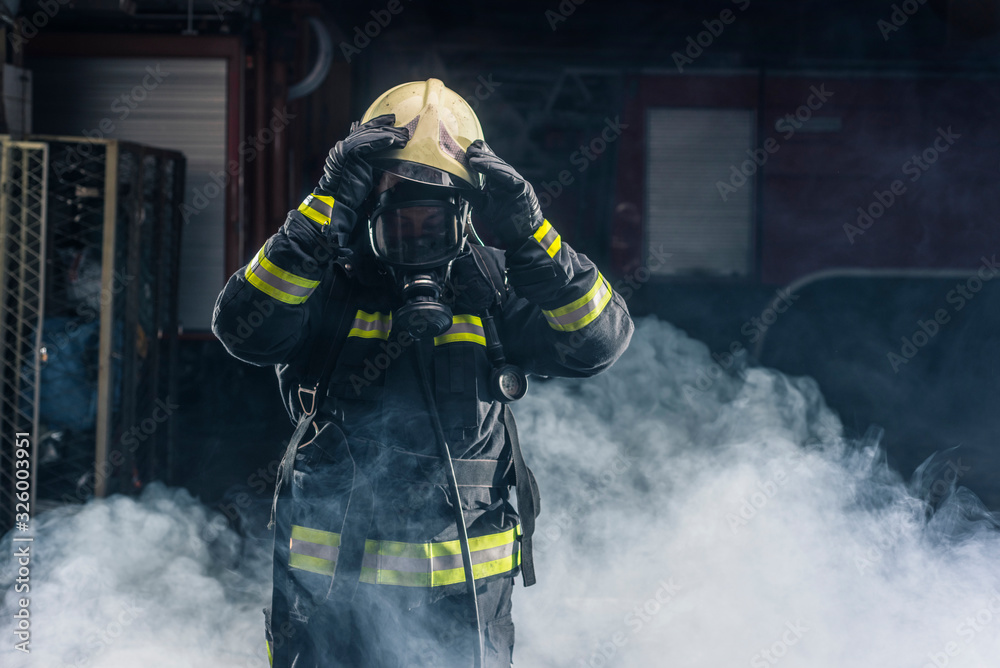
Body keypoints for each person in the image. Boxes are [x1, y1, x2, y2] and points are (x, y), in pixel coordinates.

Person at [212, 78, 633, 667]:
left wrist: (533, 238)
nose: (416, 240)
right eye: (398, 220)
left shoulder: (490, 290)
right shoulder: (326, 284)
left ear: (466, 216)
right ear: (365, 207)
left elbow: (599, 342)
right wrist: (317, 217)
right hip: (331, 612)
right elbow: (242, 330)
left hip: (462, 617)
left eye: (433, 224)